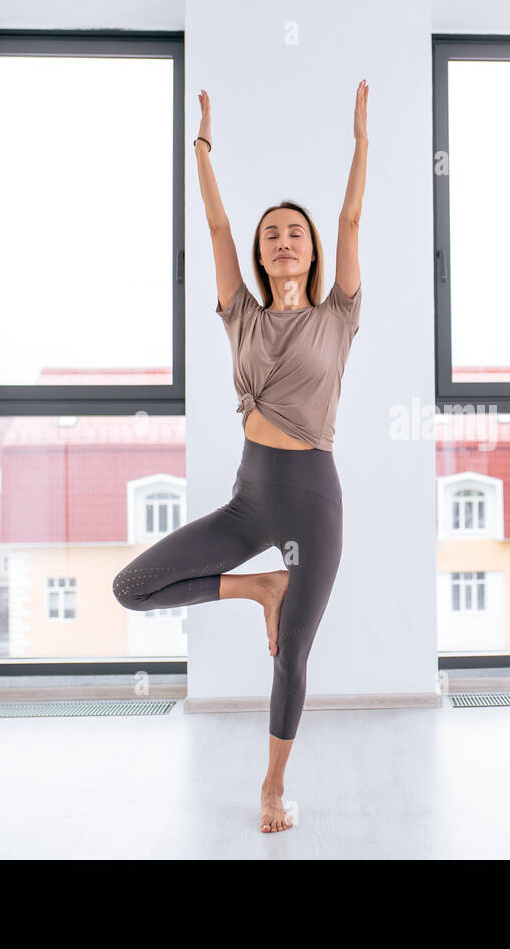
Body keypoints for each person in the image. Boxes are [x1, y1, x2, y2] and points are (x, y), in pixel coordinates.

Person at [112, 81, 369, 833]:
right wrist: (201, 150)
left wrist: (360, 143)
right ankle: (256, 587)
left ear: (313, 249)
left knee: (293, 655)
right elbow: (217, 224)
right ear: (260, 257)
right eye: (272, 236)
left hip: (314, 499)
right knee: (135, 585)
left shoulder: (339, 316)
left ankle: (271, 788)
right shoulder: (241, 316)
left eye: (296, 232)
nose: (283, 240)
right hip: (252, 495)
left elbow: (352, 214)